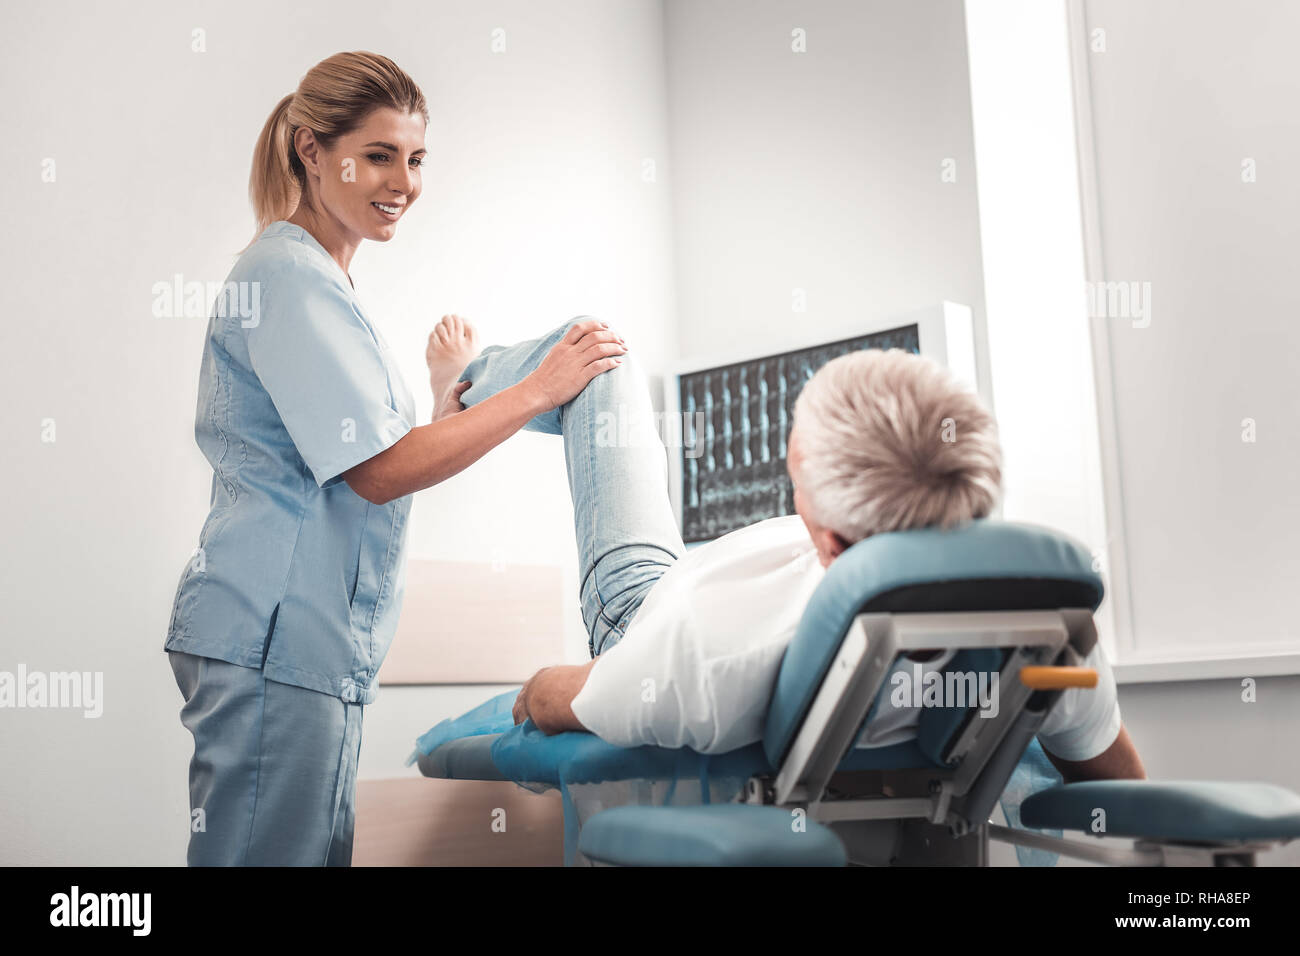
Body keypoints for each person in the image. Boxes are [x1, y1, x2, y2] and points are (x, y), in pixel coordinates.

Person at [164, 51, 627, 866]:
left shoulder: (326, 288)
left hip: (304, 645)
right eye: (379, 155)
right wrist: (541, 388)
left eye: (415, 159)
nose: (403, 182)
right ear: (312, 150)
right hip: (276, 635)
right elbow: (376, 471)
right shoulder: (286, 276)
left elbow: (373, 457)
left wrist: (448, 401)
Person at [438, 325, 1145, 785]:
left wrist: (538, 691)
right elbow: (1113, 779)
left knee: (599, 361)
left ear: (831, 542)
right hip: (734, 578)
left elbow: (549, 698)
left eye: (797, 476)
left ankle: (464, 381)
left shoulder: (706, 655)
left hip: (647, 601)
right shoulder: (1045, 627)